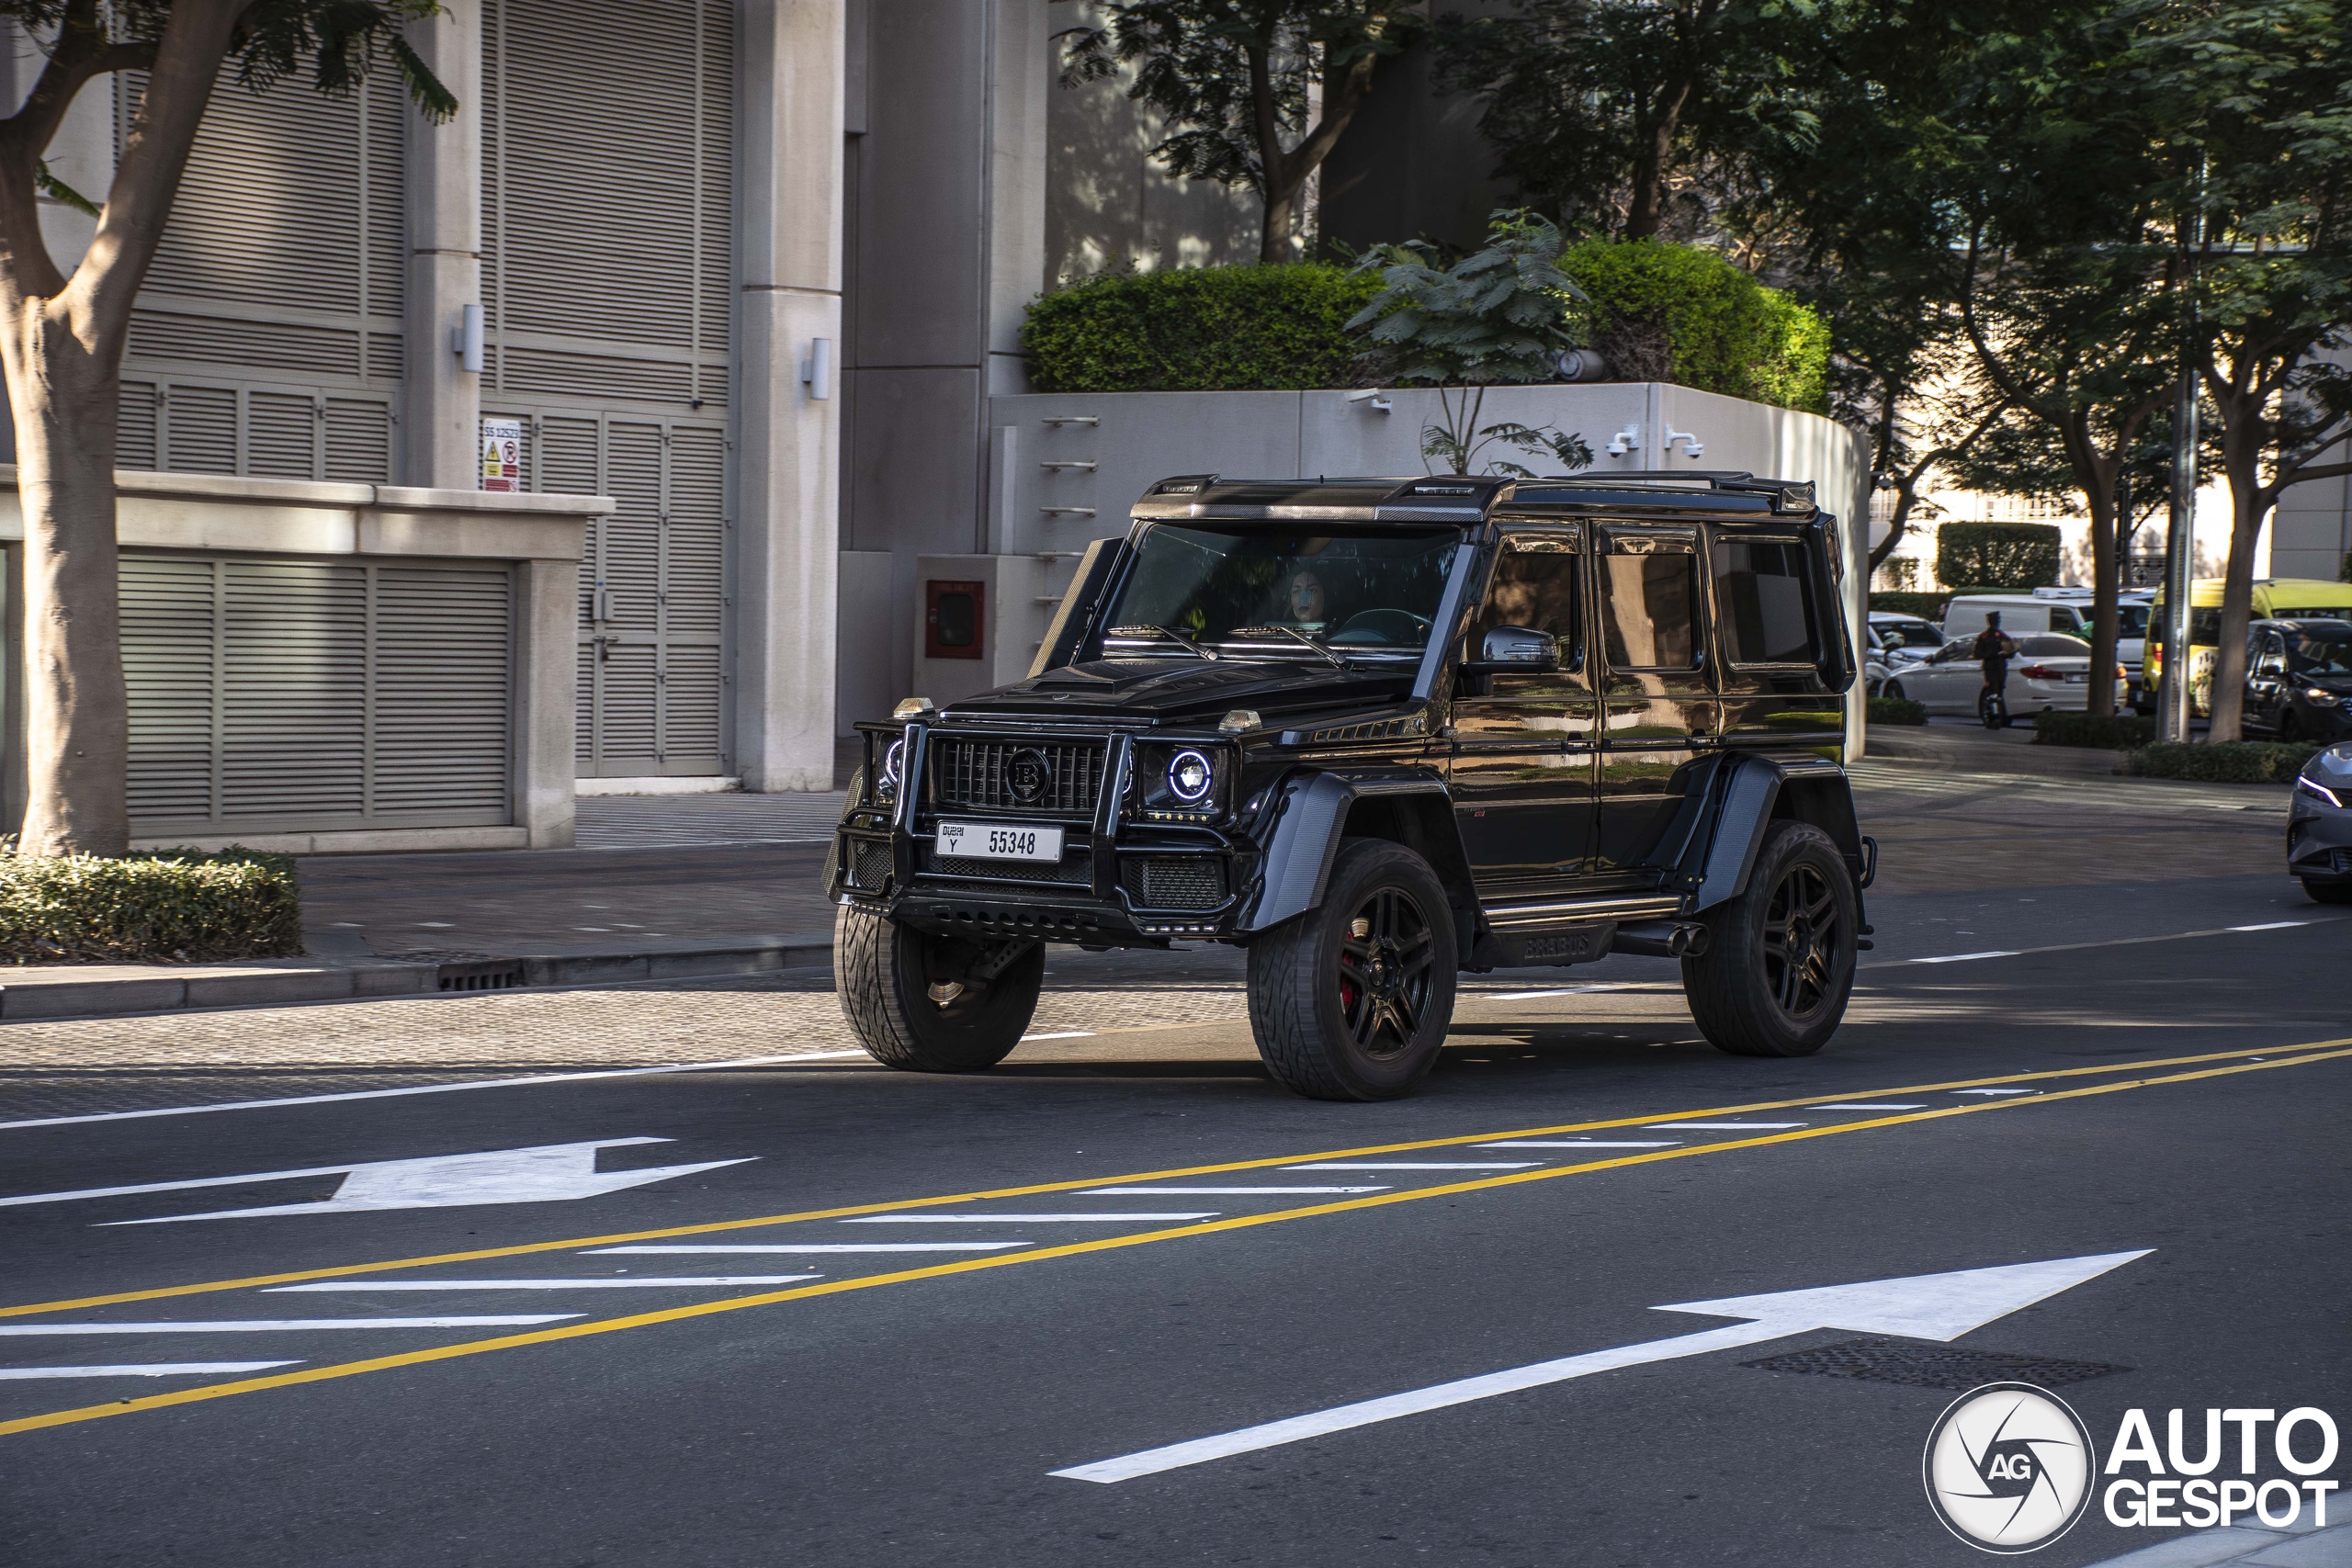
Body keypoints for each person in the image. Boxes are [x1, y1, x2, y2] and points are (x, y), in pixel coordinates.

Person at [1973, 612, 2018, 709]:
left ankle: (1999, 710)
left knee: (2000, 689)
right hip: (1990, 667)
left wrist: (2011, 650)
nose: (1997, 622)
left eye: (1998, 620)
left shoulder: (2002, 636)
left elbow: (2010, 653)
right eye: (1995, 620)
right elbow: (1977, 654)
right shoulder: (1984, 637)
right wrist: (1990, 654)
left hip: (2000, 666)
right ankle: (1990, 709)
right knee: (1992, 689)